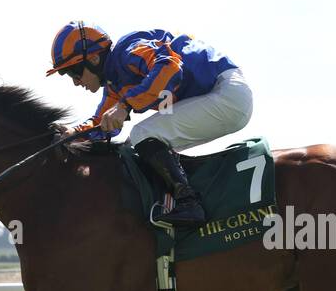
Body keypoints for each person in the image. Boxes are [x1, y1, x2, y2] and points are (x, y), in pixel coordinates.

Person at [46, 21, 253, 228]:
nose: (75, 81)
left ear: (93, 58)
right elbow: (102, 122)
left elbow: (170, 67)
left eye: (74, 72)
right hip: (219, 95)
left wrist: (125, 105)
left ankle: (189, 202)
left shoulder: (128, 51)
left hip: (226, 92)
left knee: (142, 134)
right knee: (133, 147)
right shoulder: (115, 81)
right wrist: (72, 133)